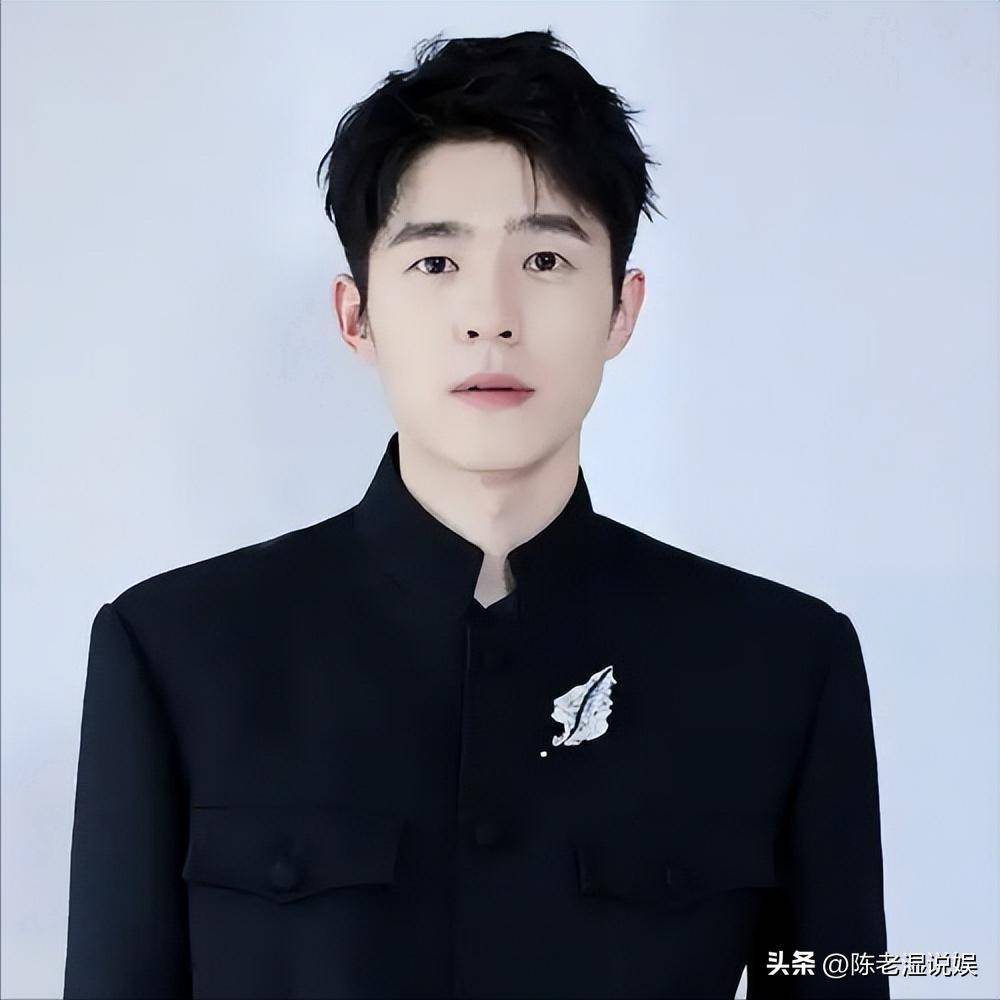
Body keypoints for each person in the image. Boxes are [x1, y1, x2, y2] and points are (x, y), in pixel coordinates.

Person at [63, 29, 889, 999]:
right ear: (356, 315)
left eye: (544, 258)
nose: (490, 316)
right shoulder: (176, 653)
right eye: (434, 263)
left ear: (621, 310)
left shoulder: (783, 664)